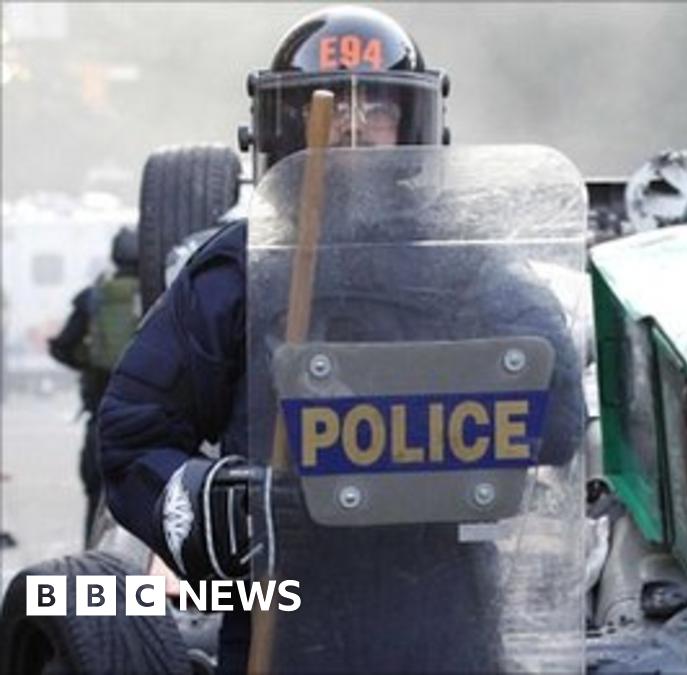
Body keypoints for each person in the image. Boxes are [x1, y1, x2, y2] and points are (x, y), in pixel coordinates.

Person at [99, 6, 582, 674]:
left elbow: (556, 422)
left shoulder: (468, 264)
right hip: (282, 613)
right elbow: (132, 431)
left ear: (414, 124)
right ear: (279, 126)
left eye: (377, 105)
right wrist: (221, 503)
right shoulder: (238, 269)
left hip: (442, 620)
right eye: (321, 107)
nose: (352, 124)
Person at [47, 226, 139, 542]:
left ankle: (94, 561)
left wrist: (88, 360)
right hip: (150, 415)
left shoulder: (95, 297)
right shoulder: (161, 294)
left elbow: (61, 346)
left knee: (96, 493)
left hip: (102, 413)